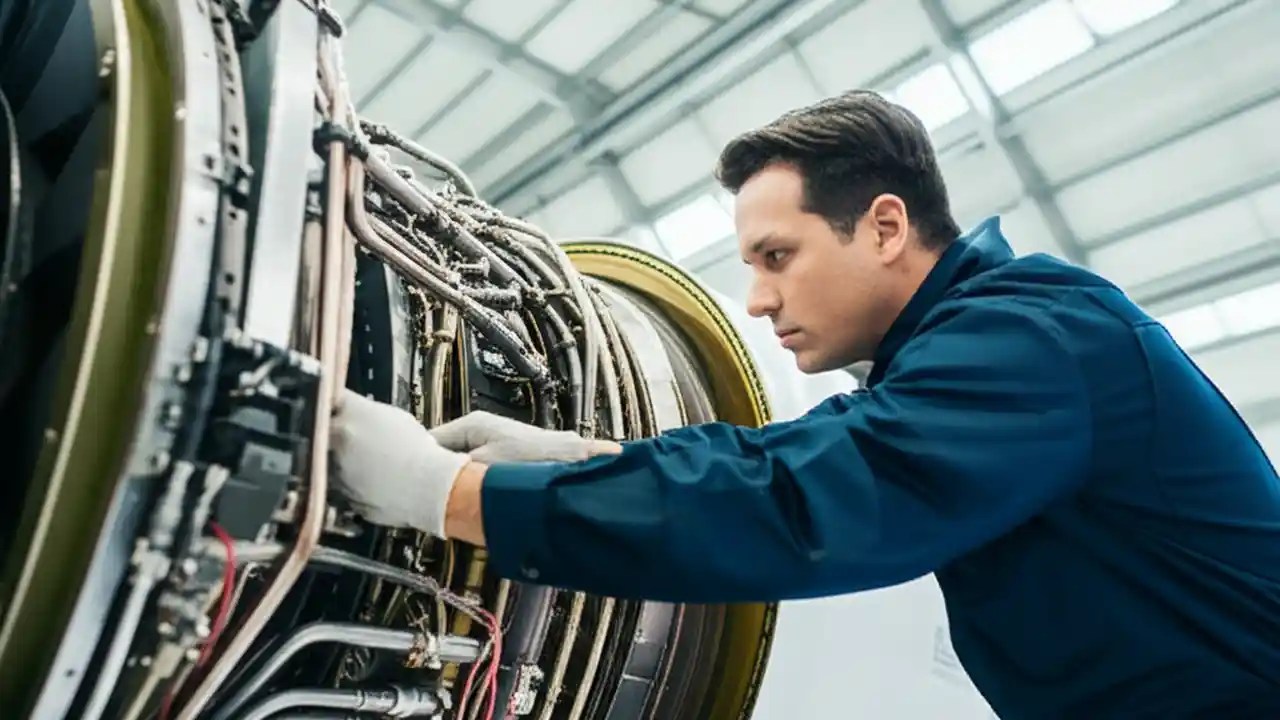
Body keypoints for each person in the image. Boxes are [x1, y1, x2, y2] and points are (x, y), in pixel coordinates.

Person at [330, 91, 1280, 718]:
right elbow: (788, 458)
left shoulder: (1036, 342)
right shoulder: (966, 354)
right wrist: (581, 458)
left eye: (777, 257)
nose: (757, 299)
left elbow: (804, 503)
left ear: (884, 226)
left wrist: (449, 495)